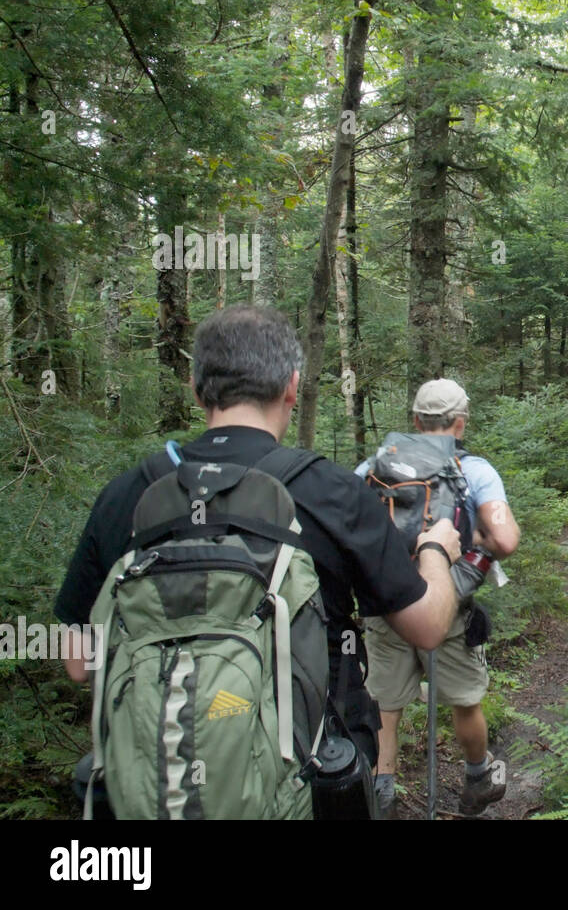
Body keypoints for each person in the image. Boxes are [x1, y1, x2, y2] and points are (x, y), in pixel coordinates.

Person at [54, 304, 462, 790]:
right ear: (291, 386)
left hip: (156, 781)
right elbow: (428, 627)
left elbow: (80, 665)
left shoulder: (127, 495)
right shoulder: (332, 492)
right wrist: (436, 549)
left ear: (196, 387)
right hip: (304, 774)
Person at [357, 378, 520, 816]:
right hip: (446, 606)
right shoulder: (476, 471)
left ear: (414, 420)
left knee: (384, 707)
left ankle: (382, 793)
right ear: (460, 423)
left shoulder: (373, 466)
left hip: (385, 606)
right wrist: (480, 543)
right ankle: (476, 778)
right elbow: (504, 539)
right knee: (465, 700)